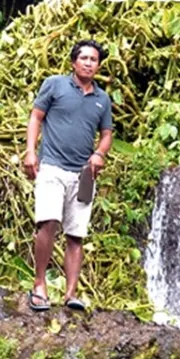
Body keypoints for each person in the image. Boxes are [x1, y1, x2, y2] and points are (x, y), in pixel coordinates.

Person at [23, 40, 113, 312]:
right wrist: (30, 152)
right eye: (83, 58)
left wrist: (99, 153)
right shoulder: (55, 85)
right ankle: (39, 285)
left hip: (83, 174)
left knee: (76, 235)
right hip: (52, 167)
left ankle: (70, 293)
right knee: (48, 223)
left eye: (93, 59)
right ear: (74, 62)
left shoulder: (102, 99)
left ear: (98, 66)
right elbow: (36, 117)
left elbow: (106, 134)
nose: (88, 63)